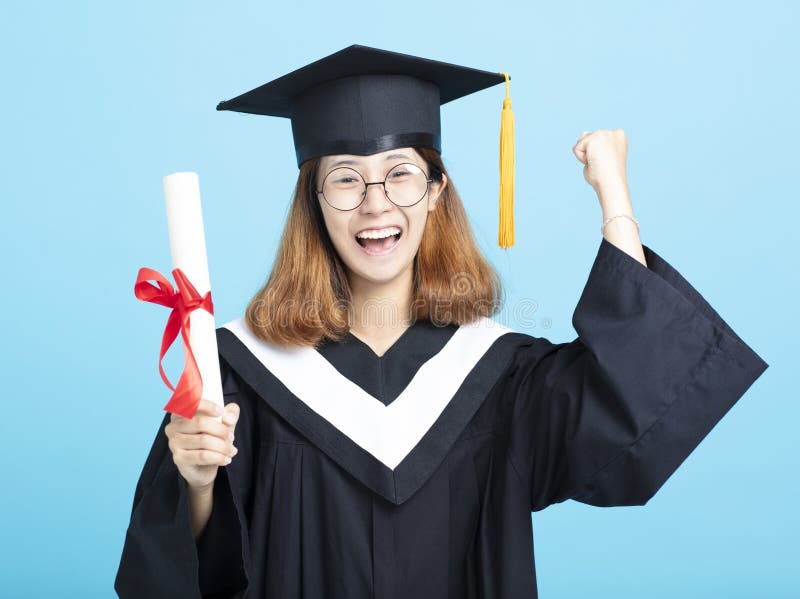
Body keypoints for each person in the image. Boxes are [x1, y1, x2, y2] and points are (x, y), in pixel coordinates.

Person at [114, 45, 769, 599]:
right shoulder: (243, 370)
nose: (376, 204)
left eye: (401, 173)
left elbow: (630, 397)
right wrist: (198, 483)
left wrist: (615, 198)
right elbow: (186, 568)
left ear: (436, 192)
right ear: (315, 204)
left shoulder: (498, 373)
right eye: (345, 179)